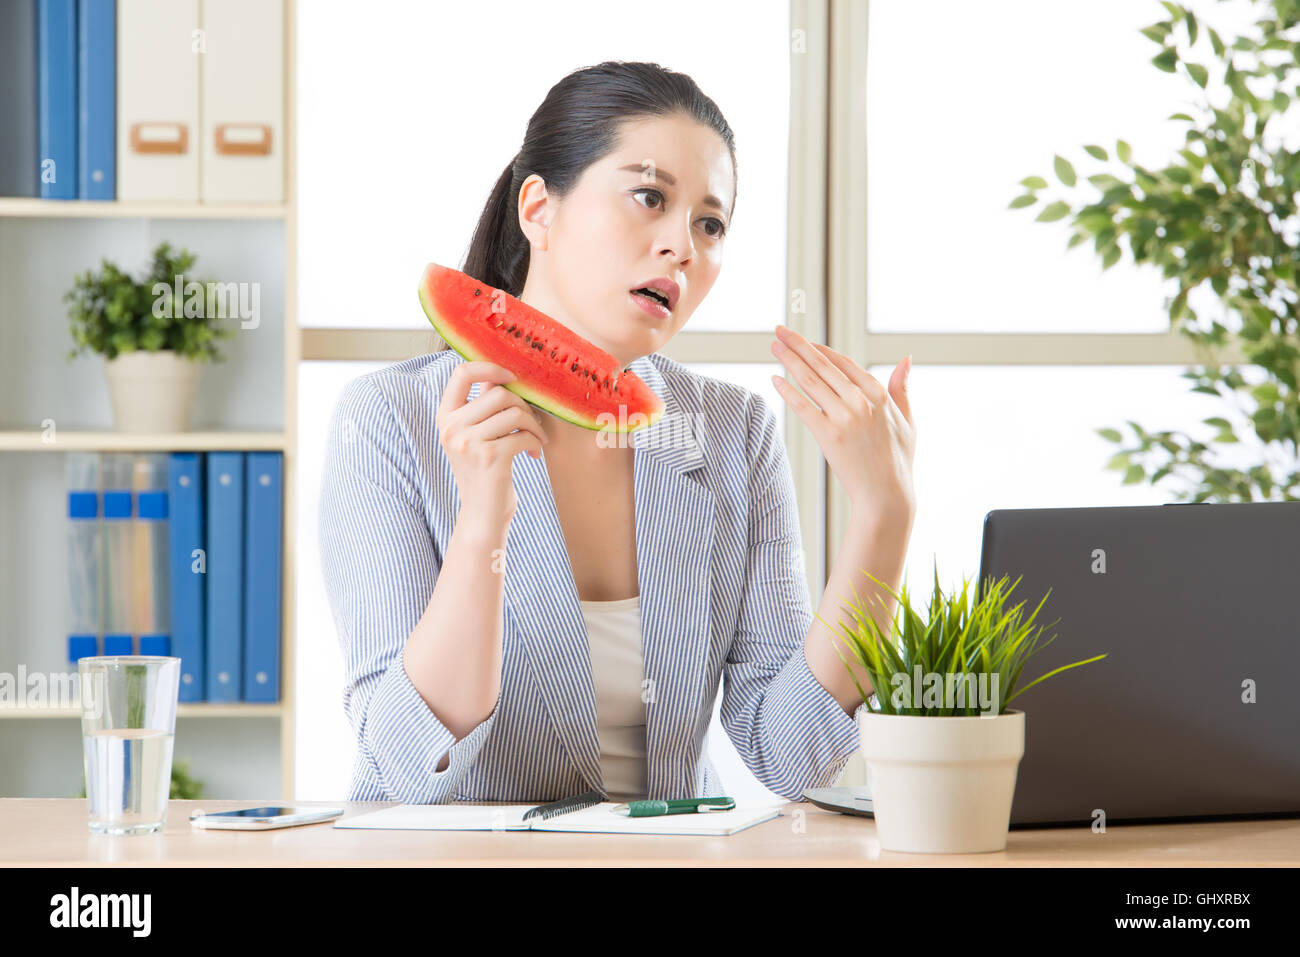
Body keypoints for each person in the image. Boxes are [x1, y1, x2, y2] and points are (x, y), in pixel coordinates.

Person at [319, 60, 917, 805]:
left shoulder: (731, 432)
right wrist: (483, 526)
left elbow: (789, 753)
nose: (683, 247)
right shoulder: (387, 421)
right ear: (539, 208)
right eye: (648, 196)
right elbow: (407, 759)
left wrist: (883, 514)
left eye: (710, 222)